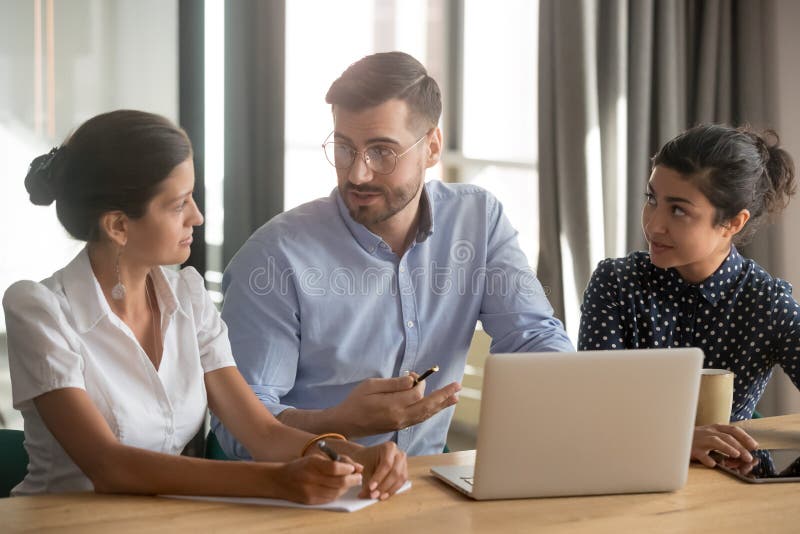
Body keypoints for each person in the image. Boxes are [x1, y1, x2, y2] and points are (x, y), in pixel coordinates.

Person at [3, 110, 406, 502]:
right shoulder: (40, 310)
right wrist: (276, 481)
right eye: (178, 205)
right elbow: (109, 466)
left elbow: (262, 432)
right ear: (119, 226)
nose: (196, 216)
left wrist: (359, 456)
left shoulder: (189, 297)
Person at [213, 51, 573, 458]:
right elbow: (238, 429)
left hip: (425, 485)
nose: (357, 173)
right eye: (345, 148)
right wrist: (340, 420)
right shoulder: (273, 257)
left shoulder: (478, 219)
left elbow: (532, 337)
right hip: (310, 496)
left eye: (382, 151)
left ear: (432, 147)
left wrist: (579, 400)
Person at [578, 124, 799, 468]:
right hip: (628, 478)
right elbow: (592, 407)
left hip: (737, 491)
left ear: (732, 223)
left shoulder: (767, 303)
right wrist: (674, 439)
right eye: (652, 199)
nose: (653, 225)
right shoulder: (616, 284)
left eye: (678, 210)